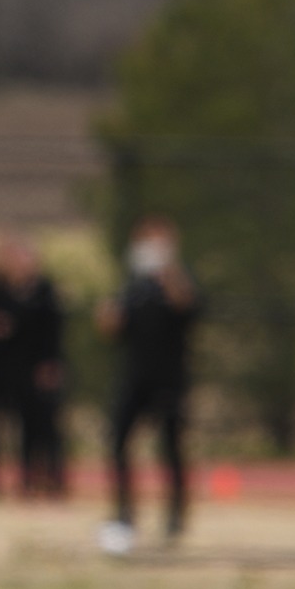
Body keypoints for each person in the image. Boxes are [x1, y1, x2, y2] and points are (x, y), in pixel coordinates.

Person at [97, 215, 200, 555]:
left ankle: (175, 514)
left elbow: (189, 309)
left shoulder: (182, 279)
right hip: (135, 377)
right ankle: (124, 512)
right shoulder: (133, 286)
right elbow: (116, 330)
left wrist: (169, 272)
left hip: (170, 378)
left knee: (170, 448)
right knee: (118, 442)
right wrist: (109, 318)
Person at [0, 229, 66, 498]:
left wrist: (50, 363)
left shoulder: (42, 289)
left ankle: (36, 480)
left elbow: (51, 329)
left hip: (30, 367)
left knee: (33, 425)